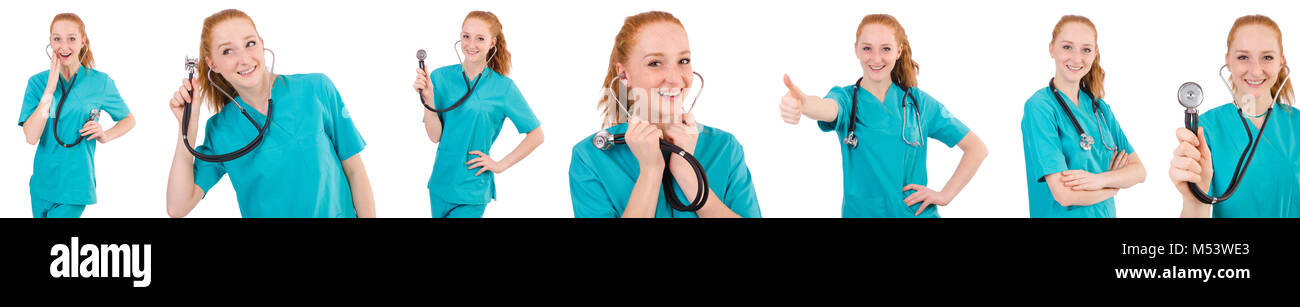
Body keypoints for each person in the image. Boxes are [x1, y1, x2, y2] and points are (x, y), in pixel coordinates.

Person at [165, 9, 375, 218]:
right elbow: (178, 207)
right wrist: (188, 128)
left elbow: (355, 171)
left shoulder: (316, 89)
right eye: (228, 51)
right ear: (213, 64)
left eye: (250, 44)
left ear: (262, 44)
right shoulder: (221, 130)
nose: (244, 59)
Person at [779, 14, 987, 217]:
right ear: (856, 50)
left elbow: (976, 148)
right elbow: (825, 107)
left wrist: (945, 195)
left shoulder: (919, 103)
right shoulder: (846, 99)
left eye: (885, 49)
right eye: (867, 48)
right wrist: (804, 103)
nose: (876, 58)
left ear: (898, 51)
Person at [569, 11, 760, 218]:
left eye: (683, 61)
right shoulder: (591, 156)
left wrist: (687, 172)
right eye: (655, 63)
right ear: (624, 75)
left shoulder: (725, 148)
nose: (675, 79)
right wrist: (651, 170)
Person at [414, 11, 543, 218]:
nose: (470, 44)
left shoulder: (504, 88)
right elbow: (435, 136)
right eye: (466, 36)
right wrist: (428, 99)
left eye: (480, 38)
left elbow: (537, 135)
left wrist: (499, 165)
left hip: (472, 188)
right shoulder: (439, 78)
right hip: (440, 183)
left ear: (492, 43)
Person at [1170, 15, 1298, 218]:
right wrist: (1194, 200)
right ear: (1228, 61)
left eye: (1267, 57)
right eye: (1243, 57)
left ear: (1281, 62)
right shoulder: (1206, 129)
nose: (1256, 70)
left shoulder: (1297, 125)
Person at [1021, 15, 1146, 218]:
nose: (1076, 58)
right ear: (1051, 49)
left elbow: (1139, 172)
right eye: (1067, 47)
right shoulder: (1040, 107)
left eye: (1086, 49)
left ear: (1095, 54)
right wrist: (1113, 188)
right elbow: (1064, 195)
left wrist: (1100, 180)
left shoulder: (1100, 109)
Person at [19, 13, 136, 218]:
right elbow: (30, 137)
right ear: (50, 42)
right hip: (41, 185)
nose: (64, 46)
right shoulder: (37, 83)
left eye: (71, 38)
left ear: (83, 42)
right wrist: (49, 90)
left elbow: (128, 120)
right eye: (57, 39)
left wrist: (105, 135)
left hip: (75, 186)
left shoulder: (100, 82)